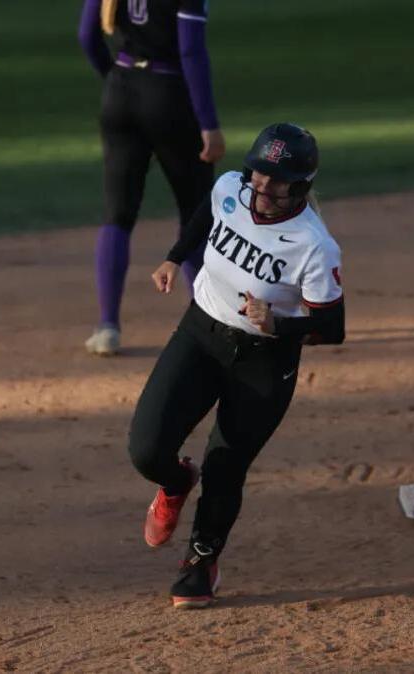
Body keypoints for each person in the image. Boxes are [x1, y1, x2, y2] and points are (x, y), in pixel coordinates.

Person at [127, 123, 345, 608]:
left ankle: (201, 560)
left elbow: (332, 328)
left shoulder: (314, 245)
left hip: (264, 364)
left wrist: (277, 325)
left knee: (227, 466)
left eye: (278, 179)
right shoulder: (230, 187)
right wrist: (173, 258)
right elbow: (206, 218)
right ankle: (178, 481)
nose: (263, 186)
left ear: (301, 184)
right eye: (260, 173)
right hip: (200, 336)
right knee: (145, 448)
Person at [77, 0, 226, 355]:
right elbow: (190, 50)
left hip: (121, 87)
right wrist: (208, 124)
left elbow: (87, 35)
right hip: (169, 94)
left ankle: (107, 327)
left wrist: (113, 79)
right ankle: (209, 326)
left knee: (118, 213)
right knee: (195, 213)